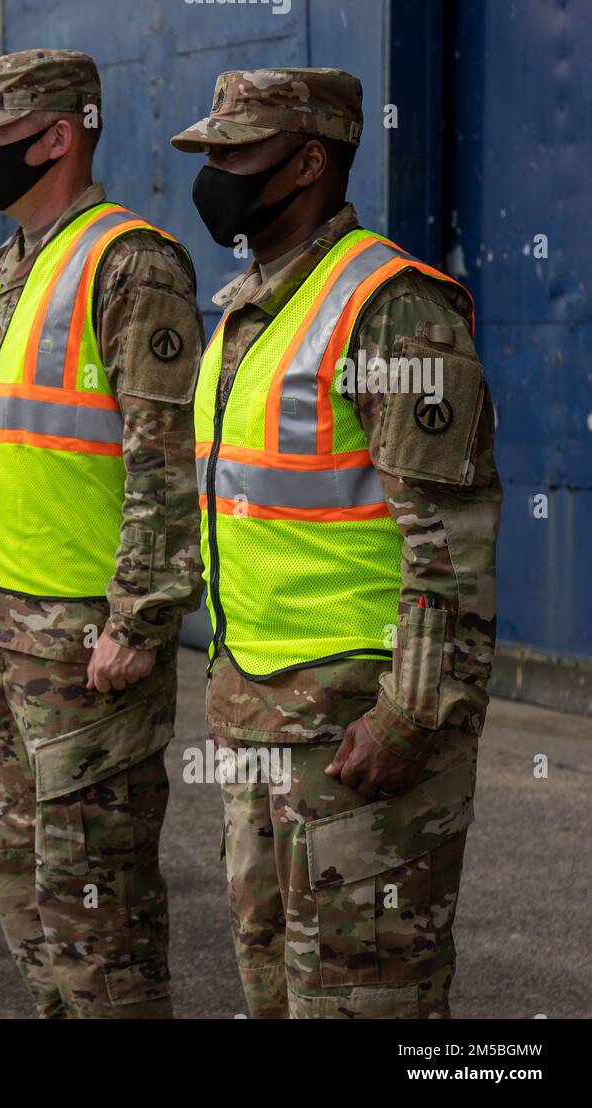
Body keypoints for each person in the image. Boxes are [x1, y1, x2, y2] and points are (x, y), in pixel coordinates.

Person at [171, 67, 500, 1018]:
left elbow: (453, 545)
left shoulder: (392, 307)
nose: (214, 173)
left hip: (359, 728)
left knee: (368, 996)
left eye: (234, 152)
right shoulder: (248, 305)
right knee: (275, 983)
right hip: (261, 721)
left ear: (308, 161)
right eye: (211, 153)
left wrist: (413, 718)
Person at [0, 48, 205, 1019]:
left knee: (101, 921)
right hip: (0, 630)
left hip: (83, 651)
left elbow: (163, 461)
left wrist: (136, 624)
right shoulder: (4, 268)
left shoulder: (131, 262)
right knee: (30, 906)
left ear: (55, 136)